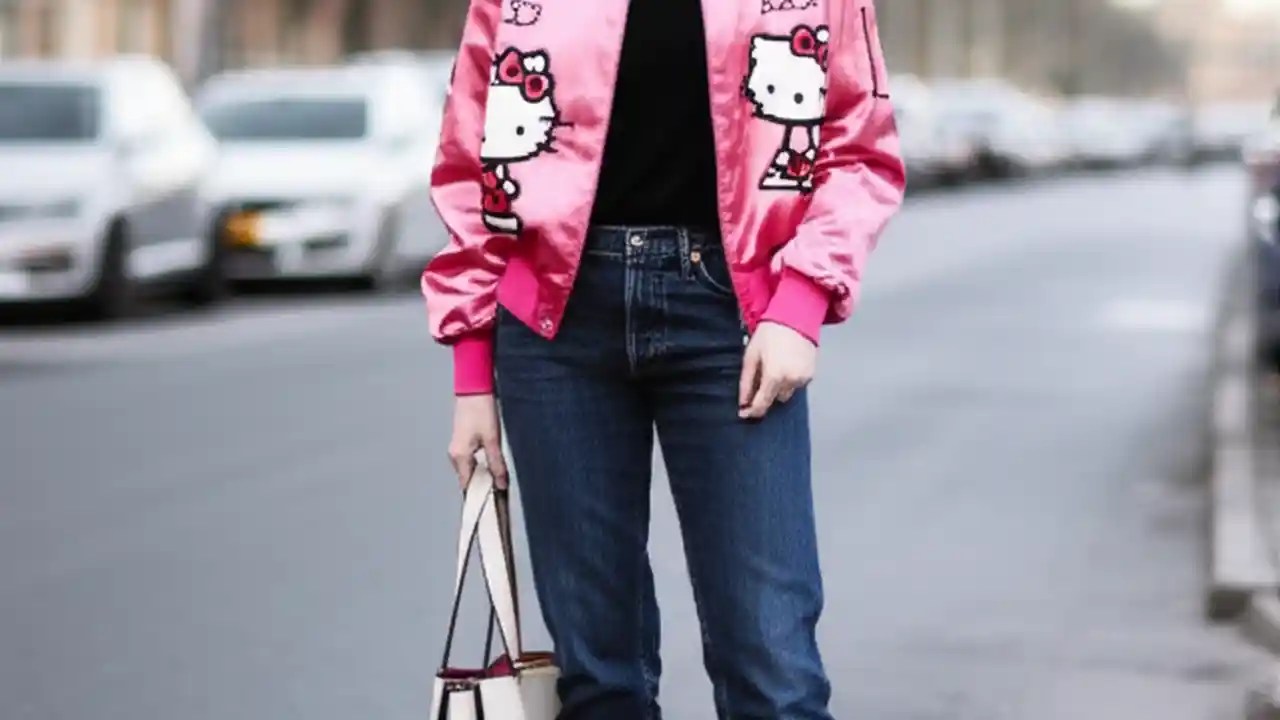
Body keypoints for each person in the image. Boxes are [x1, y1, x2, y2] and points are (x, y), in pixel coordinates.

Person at [423, 0, 904, 716]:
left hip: (735, 317)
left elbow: (859, 143)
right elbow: (472, 159)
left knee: (773, 669)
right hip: (556, 324)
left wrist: (801, 303)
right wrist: (471, 373)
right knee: (597, 676)